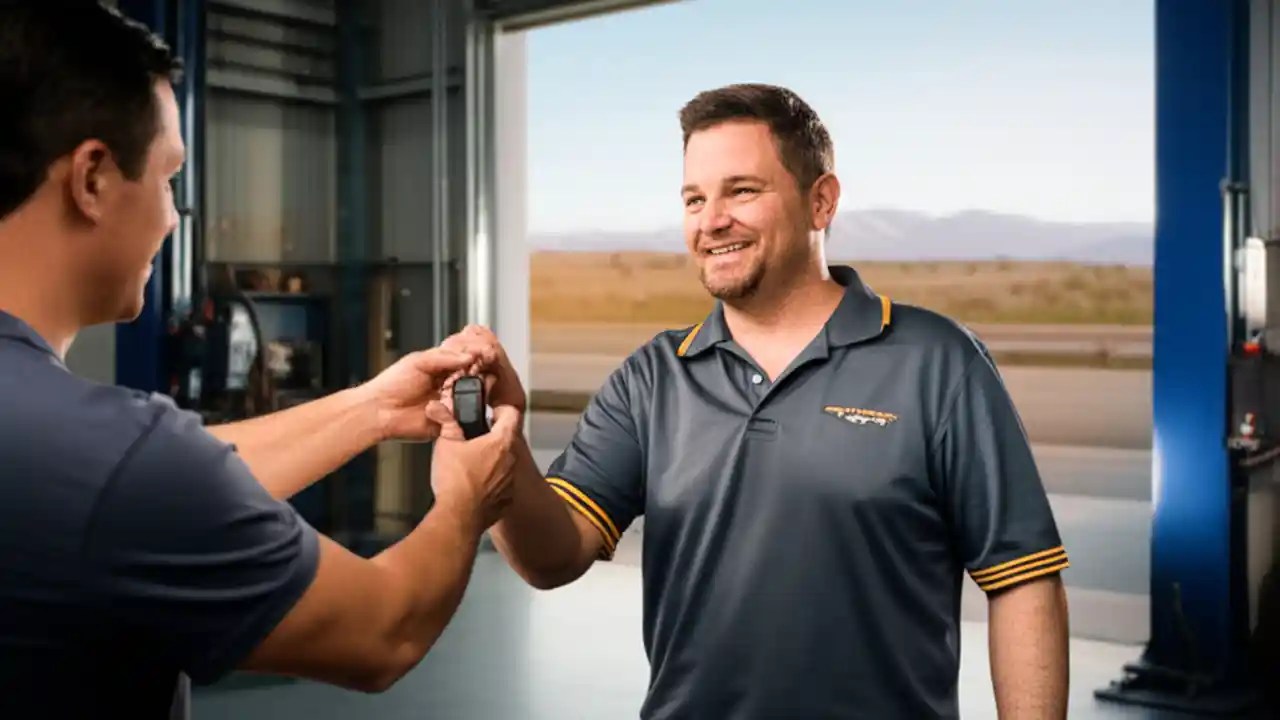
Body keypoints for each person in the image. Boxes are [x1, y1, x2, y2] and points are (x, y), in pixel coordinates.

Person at [438, 83, 1072, 719]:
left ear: (820, 201)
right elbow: (553, 558)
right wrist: (502, 442)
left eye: (742, 191)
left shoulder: (937, 361)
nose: (711, 220)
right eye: (694, 198)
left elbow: (1023, 579)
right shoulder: (654, 377)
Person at [0, 3, 518, 718]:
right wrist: (466, 499)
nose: (172, 217)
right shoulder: (110, 461)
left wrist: (372, 408)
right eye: (169, 180)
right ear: (92, 178)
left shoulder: (83, 462)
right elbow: (382, 631)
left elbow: (136, 495)